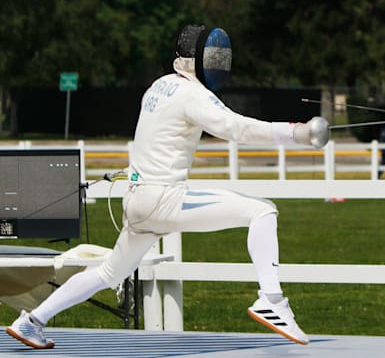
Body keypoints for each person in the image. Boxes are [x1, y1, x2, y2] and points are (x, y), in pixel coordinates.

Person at [5, 25, 330, 349]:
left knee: (108, 273)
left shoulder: (158, 87)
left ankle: (31, 321)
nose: (219, 64)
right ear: (195, 60)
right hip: (163, 200)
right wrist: (296, 134)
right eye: (214, 57)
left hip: (137, 202)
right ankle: (272, 300)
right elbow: (236, 128)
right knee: (262, 210)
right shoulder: (193, 94)